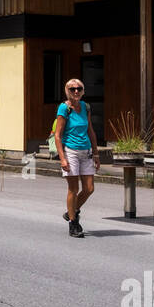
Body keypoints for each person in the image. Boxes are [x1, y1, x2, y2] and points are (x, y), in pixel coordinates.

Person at [53, 78, 98, 237]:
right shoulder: (64, 108)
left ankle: (71, 211)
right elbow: (57, 136)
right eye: (72, 89)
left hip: (85, 151)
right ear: (67, 92)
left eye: (79, 88)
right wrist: (62, 158)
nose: (76, 91)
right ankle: (73, 223)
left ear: (83, 90)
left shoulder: (86, 107)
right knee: (74, 188)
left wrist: (96, 153)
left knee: (89, 188)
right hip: (70, 151)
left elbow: (90, 130)